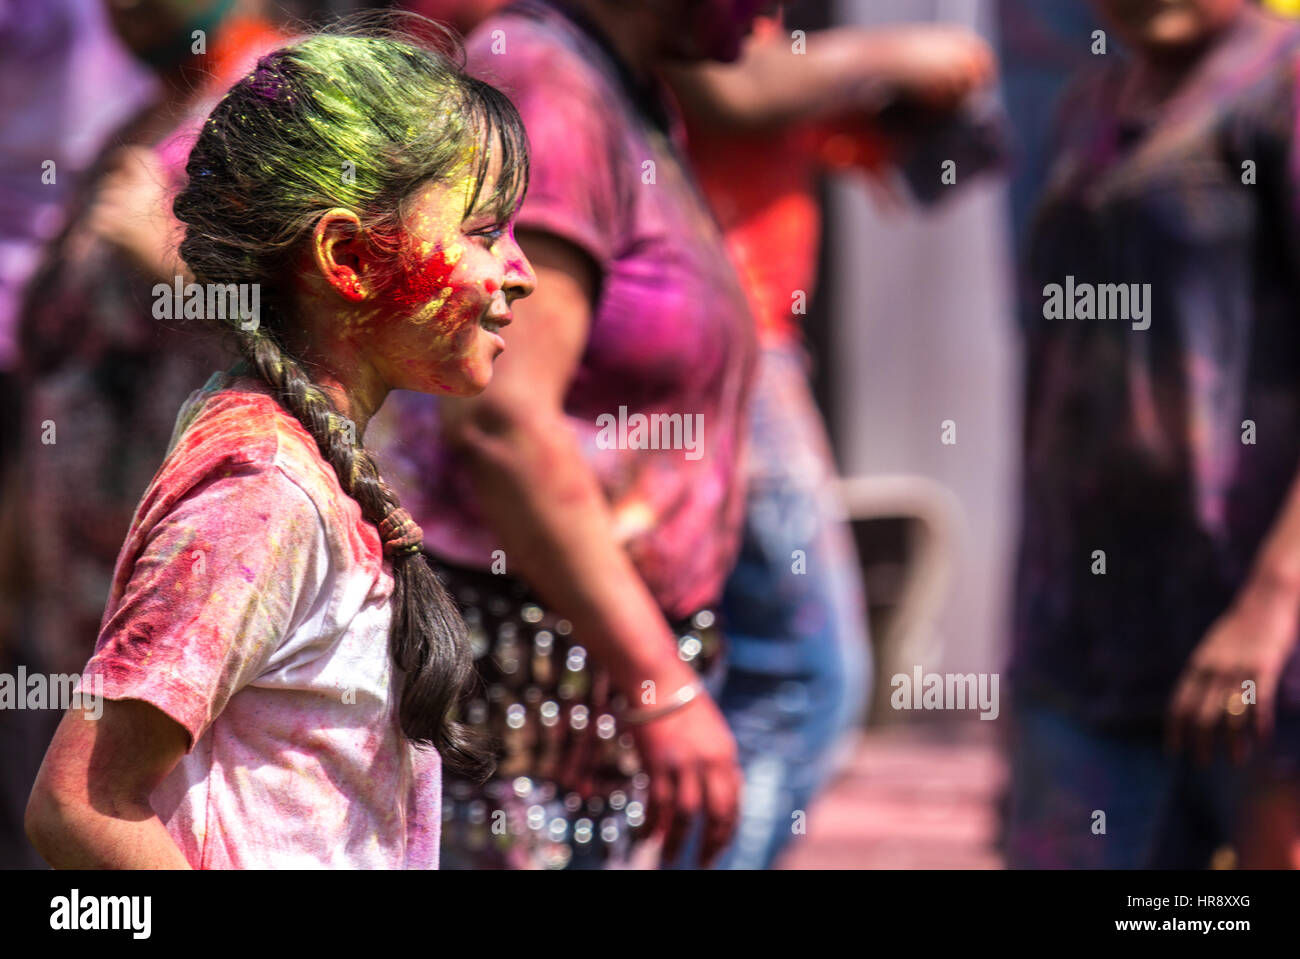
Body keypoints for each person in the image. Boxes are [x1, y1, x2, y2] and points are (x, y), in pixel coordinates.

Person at [23, 13, 536, 868]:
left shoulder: (314, 460)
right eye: (484, 233)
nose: (521, 271)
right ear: (347, 258)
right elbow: (82, 806)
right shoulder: (261, 491)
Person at [366, 0, 762, 869]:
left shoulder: (626, 92)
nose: (777, 14)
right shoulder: (547, 82)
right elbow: (503, 419)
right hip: (517, 678)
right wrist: (659, 685)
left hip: (589, 684)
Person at [663, 11, 998, 869]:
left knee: (739, 666)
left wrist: (861, 104)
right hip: (724, 338)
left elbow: (756, 94)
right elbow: (733, 84)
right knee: (805, 677)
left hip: (728, 335)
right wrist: (890, 53)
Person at [1007, 0, 1300, 868]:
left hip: (1253, 632)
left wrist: (1268, 609)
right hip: (1082, 638)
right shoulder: (1088, 108)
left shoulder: (1279, 85)